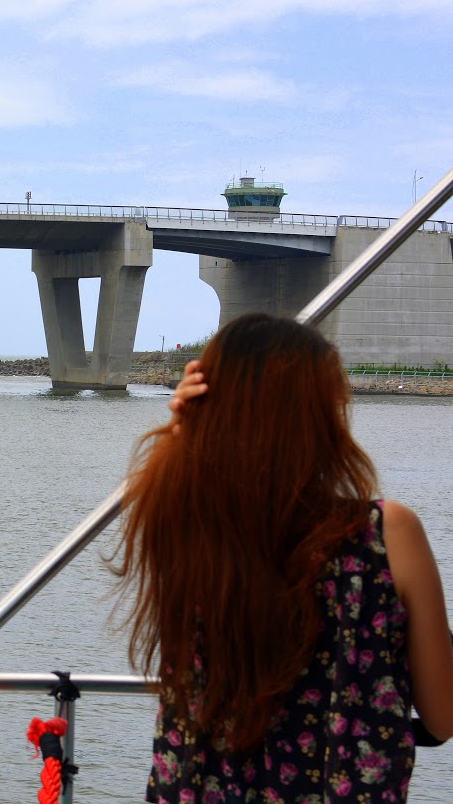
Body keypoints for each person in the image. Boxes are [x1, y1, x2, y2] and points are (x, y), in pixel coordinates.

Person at [114, 312, 453, 802]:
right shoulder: (386, 535)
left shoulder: (185, 528)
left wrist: (183, 429)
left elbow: (167, 483)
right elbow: (442, 715)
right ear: (317, 419)